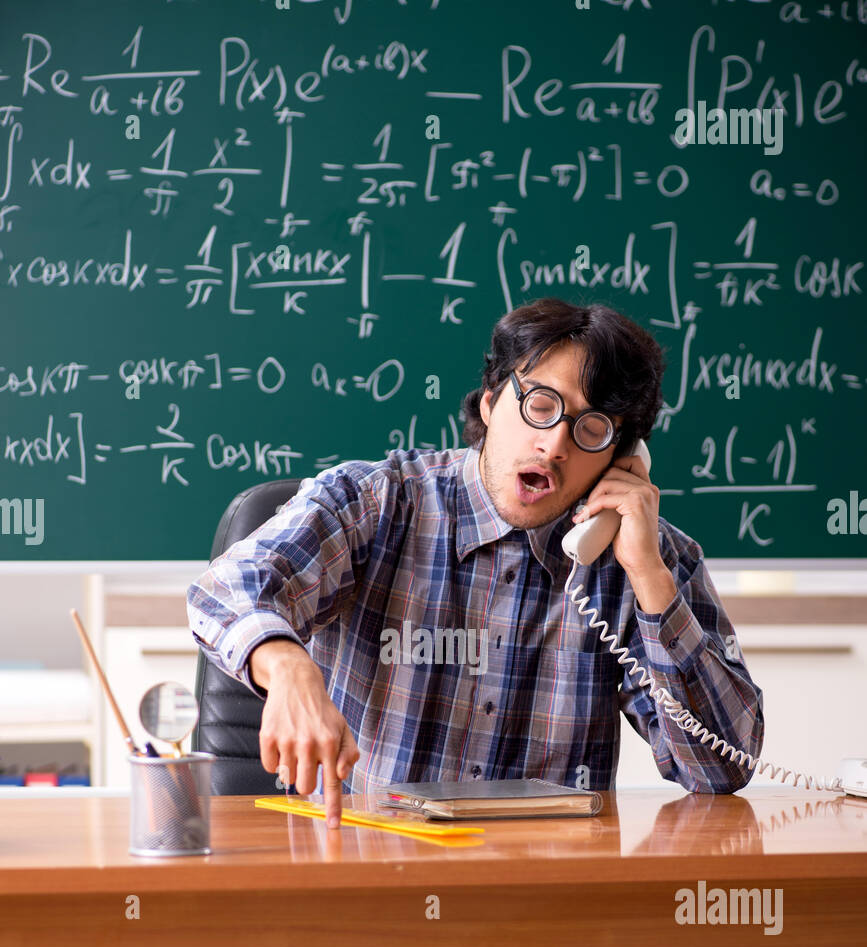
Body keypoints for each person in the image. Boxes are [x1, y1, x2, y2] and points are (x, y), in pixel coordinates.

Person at [187, 298, 764, 826]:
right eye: (541, 405)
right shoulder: (375, 501)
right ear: (490, 403)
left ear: (623, 458)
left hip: (547, 898)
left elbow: (720, 771)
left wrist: (648, 578)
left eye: (591, 429)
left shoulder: (648, 560)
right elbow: (223, 590)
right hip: (371, 876)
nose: (556, 444)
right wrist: (289, 668)